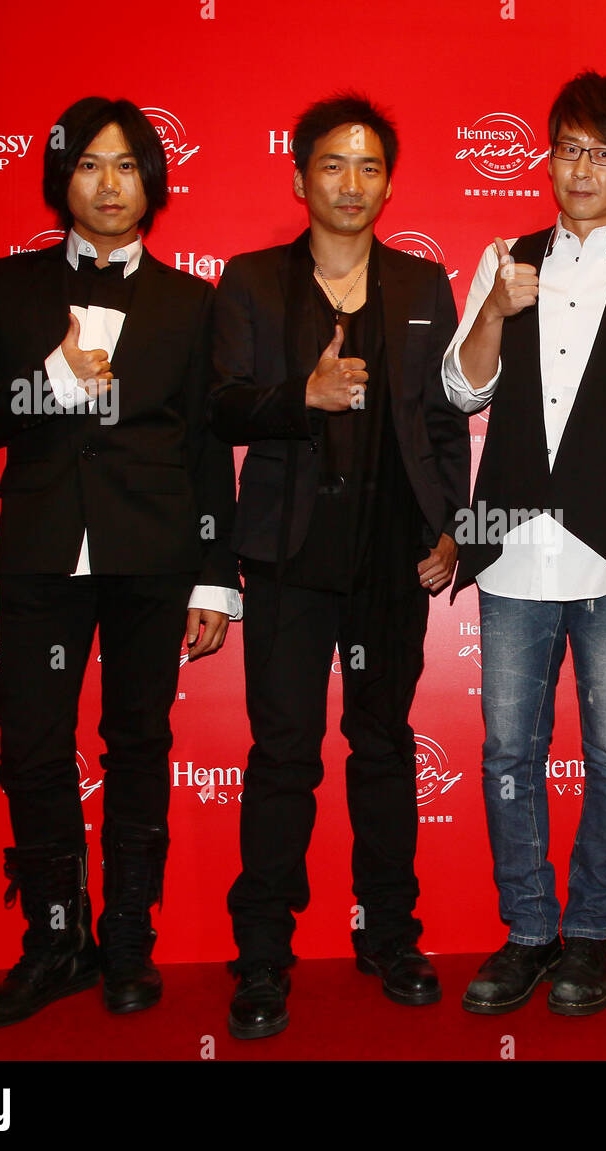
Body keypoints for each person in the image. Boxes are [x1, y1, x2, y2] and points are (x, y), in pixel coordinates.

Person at [0, 97, 239, 1027]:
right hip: (38, 554)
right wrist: (57, 380)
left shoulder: (194, 302)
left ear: (152, 181)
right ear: (61, 180)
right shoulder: (6, 286)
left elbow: (206, 449)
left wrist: (213, 575)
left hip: (151, 555)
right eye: (89, 167)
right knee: (32, 748)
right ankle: (53, 939)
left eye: (126, 166)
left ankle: (127, 946)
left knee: (139, 745)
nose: (109, 185)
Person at [444, 71, 606, 1017]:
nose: (581, 168)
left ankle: (591, 935)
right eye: (567, 148)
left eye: (601, 151)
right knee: (507, 750)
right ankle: (527, 931)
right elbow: (465, 390)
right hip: (513, 550)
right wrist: (494, 312)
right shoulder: (502, 259)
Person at [209, 93, 469, 1039]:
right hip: (285, 559)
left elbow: (444, 421)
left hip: (393, 560)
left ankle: (391, 935)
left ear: (389, 182)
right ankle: (264, 956)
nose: (350, 183)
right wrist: (302, 395)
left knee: (385, 747)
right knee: (283, 757)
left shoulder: (422, 285)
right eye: (332, 165)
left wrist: (452, 526)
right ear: (299, 177)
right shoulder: (247, 282)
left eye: (367, 167)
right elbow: (224, 407)